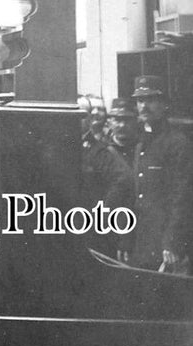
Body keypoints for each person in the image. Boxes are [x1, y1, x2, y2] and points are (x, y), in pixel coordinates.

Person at [130, 75, 193, 273]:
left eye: (150, 100)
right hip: (143, 242)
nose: (144, 106)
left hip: (167, 246)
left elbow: (182, 197)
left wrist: (172, 242)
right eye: (140, 101)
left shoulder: (178, 143)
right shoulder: (141, 144)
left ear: (164, 104)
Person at [78, 95, 133, 256]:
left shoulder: (100, 151)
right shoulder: (69, 146)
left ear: (88, 119)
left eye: (81, 116)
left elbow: (123, 180)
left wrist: (103, 214)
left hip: (95, 230)